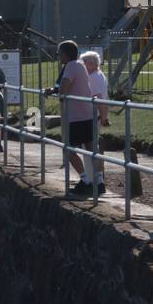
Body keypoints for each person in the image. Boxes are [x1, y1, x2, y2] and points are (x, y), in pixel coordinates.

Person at [45, 40, 96, 196]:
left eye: (59, 53)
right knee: (90, 148)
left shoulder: (71, 66)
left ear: (65, 54)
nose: (58, 57)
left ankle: (86, 180)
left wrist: (57, 92)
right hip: (87, 113)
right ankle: (97, 181)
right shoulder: (80, 64)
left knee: (68, 149)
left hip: (76, 115)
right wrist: (56, 89)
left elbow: (64, 88)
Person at [81, 50, 109, 193]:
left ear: (91, 64)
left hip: (92, 116)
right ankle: (94, 179)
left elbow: (98, 99)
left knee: (89, 149)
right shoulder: (100, 75)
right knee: (89, 148)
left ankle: (94, 181)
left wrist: (104, 117)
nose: (82, 66)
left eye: (84, 63)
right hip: (95, 116)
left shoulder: (93, 78)